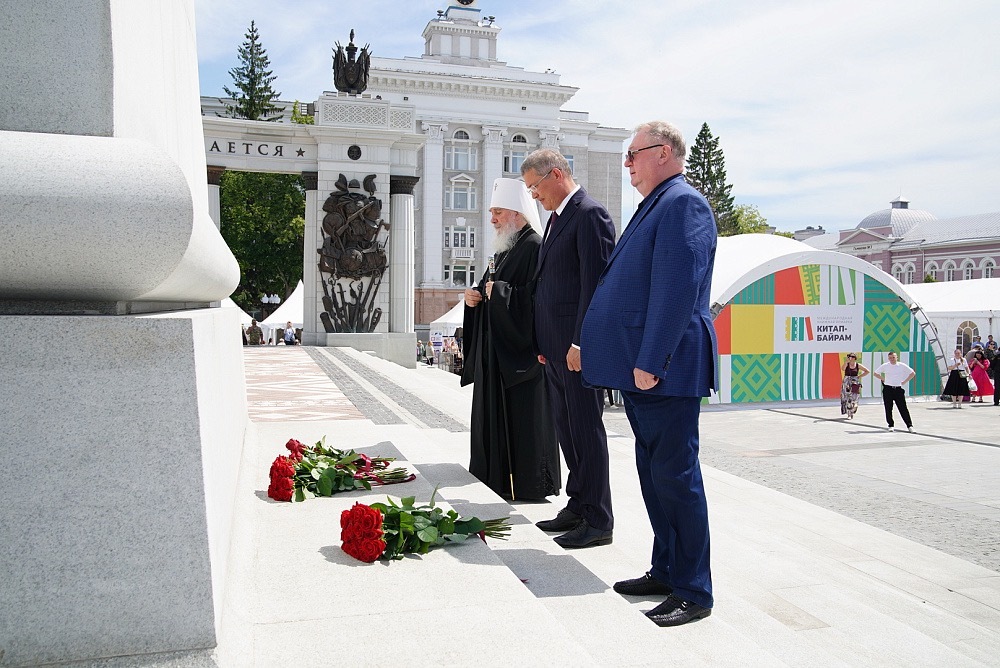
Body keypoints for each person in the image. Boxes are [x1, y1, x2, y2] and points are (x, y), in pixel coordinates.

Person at [581, 121, 716, 627]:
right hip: (645, 369)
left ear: (663, 153)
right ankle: (665, 569)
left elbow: (677, 291)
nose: (627, 163)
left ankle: (693, 589)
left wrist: (650, 360)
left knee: (677, 478)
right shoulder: (656, 204)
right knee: (655, 475)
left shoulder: (683, 203)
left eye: (633, 154)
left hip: (666, 368)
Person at [523, 148, 616, 549]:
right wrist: (544, 342)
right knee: (567, 429)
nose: (533, 197)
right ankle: (578, 504)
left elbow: (597, 288)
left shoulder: (590, 214)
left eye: (535, 187)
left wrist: (581, 342)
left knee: (585, 431)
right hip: (556, 349)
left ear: (556, 174)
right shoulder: (559, 218)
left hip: (578, 350)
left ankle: (598, 518)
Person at [460, 178, 560, 501]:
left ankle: (530, 485)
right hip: (497, 355)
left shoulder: (533, 246)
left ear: (517, 214)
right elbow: (486, 286)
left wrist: (500, 294)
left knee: (525, 425)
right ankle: (493, 475)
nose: (492, 219)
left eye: (498, 212)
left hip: (522, 359)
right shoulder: (504, 248)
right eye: (492, 212)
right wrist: (473, 298)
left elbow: (539, 301)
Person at [873, 352, 916, 432]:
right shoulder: (885, 365)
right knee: (888, 408)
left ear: (897, 357)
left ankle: (909, 425)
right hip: (888, 389)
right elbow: (875, 373)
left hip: (898, 389)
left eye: (893, 357)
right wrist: (883, 379)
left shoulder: (901, 365)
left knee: (903, 408)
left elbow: (912, 373)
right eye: (890, 358)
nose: (892, 359)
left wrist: (905, 381)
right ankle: (891, 425)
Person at [840, 353, 869, 419]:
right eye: (850, 357)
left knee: (855, 397)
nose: (851, 358)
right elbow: (843, 369)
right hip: (847, 382)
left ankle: (853, 410)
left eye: (853, 357)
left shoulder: (858, 365)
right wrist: (846, 362)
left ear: (855, 358)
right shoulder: (847, 364)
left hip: (855, 382)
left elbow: (867, 371)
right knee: (848, 398)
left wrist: (859, 376)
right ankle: (849, 414)